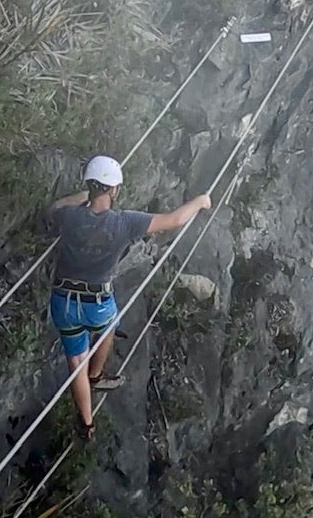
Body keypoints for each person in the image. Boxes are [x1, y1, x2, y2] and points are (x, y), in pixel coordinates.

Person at [47, 155, 211, 437]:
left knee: (76, 362)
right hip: (96, 303)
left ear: (90, 186)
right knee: (109, 326)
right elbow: (175, 220)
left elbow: (56, 206)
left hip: (63, 301)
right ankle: (96, 375)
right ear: (114, 190)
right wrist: (201, 201)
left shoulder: (69, 216)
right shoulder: (125, 223)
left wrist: (86, 194)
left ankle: (86, 424)